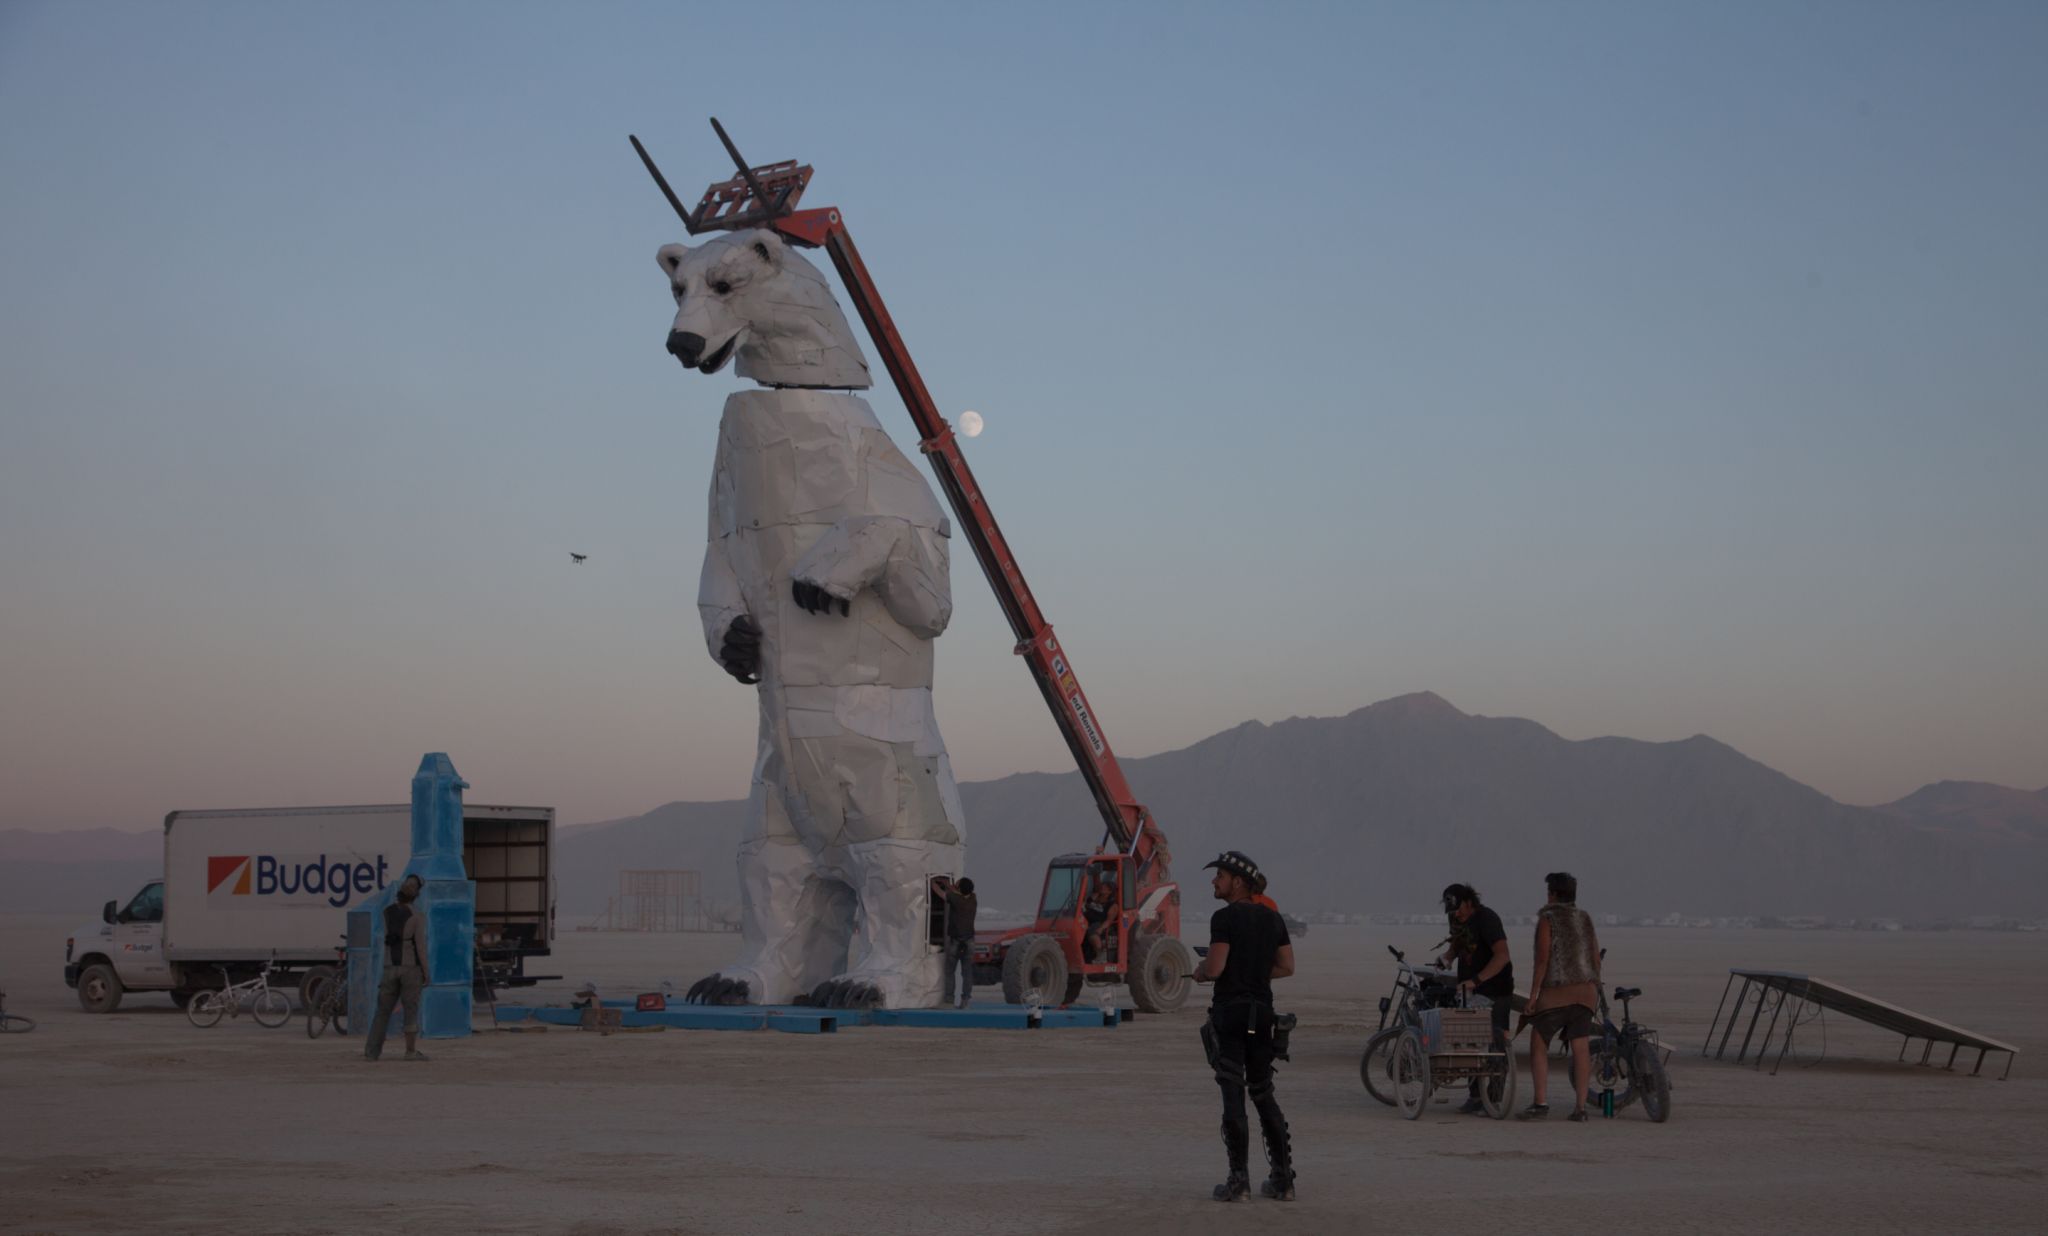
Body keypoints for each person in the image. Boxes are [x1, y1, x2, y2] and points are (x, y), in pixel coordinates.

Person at [1193, 850, 1296, 1202]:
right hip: (1263, 1014)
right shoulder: (1273, 918)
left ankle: (1239, 1182)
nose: (1214, 881)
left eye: (1219, 876)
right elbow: (1287, 967)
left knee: (1233, 1091)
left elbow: (1215, 968)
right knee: (1263, 1092)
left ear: (1238, 882)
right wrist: (1253, 972)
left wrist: (1202, 971)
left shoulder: (1224, 918)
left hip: (1232, 1014)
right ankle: (1283, 1180)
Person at [1517, 871, 1601, 1121]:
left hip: (1557, 992)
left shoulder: (1548, 919)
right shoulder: (1584, 918)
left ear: (1552, 894)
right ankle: (1581, 1109)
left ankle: (1540, 1103)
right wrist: (1595, 985)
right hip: (1586, 993)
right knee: (1581, 1046)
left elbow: (1542, 960)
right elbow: (1595, 957)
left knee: (1539, 1041)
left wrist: (1533, 996)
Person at [1437, 883, 1515, 1114]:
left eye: (1459, 909)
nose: (1456, 915)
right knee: (1470, 1043)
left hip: (1496, 989)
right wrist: (1448, 957)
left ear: (1469, 902)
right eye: (1452, 912)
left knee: (1496, 1045)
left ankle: (1494, 1099)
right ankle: (1475, 1097)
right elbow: (1458, 942)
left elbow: (1502, 956)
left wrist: (1476, 980)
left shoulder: (1487, 918)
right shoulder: (1456, 918)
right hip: (1469, 991)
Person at [365, 874, 430, 1062]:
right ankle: (410, 1051)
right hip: (411, 969)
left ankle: (372, 1052)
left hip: (389, 967)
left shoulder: (386, 912)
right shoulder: (418, 916)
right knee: (410, 1010)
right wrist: (426, 972)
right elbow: (420, 947)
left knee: (382, 1011)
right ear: (417, 894)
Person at [933, 875, 977, 1009]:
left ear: (959, 889)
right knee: (967, 972)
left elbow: (940, 892)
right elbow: (956, 891)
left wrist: (932, 882)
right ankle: (965, 1000)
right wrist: (947, 884)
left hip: (956, 942)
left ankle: (949, 1000)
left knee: (950, 971)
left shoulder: (955, 899)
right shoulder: (973, 898)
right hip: (969, 941)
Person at [1081, 870, 1118, 963]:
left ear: (1110, 891)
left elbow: (1109, 920)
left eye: (1105, 887)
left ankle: (1101, 953)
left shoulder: (1112, 905)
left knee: (1092, 931)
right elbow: (1086, 903)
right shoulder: (1095, 897)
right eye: (1102, 886)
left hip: (1098, 923)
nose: (1102, 887)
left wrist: (1101, 928)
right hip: (1085, 920)